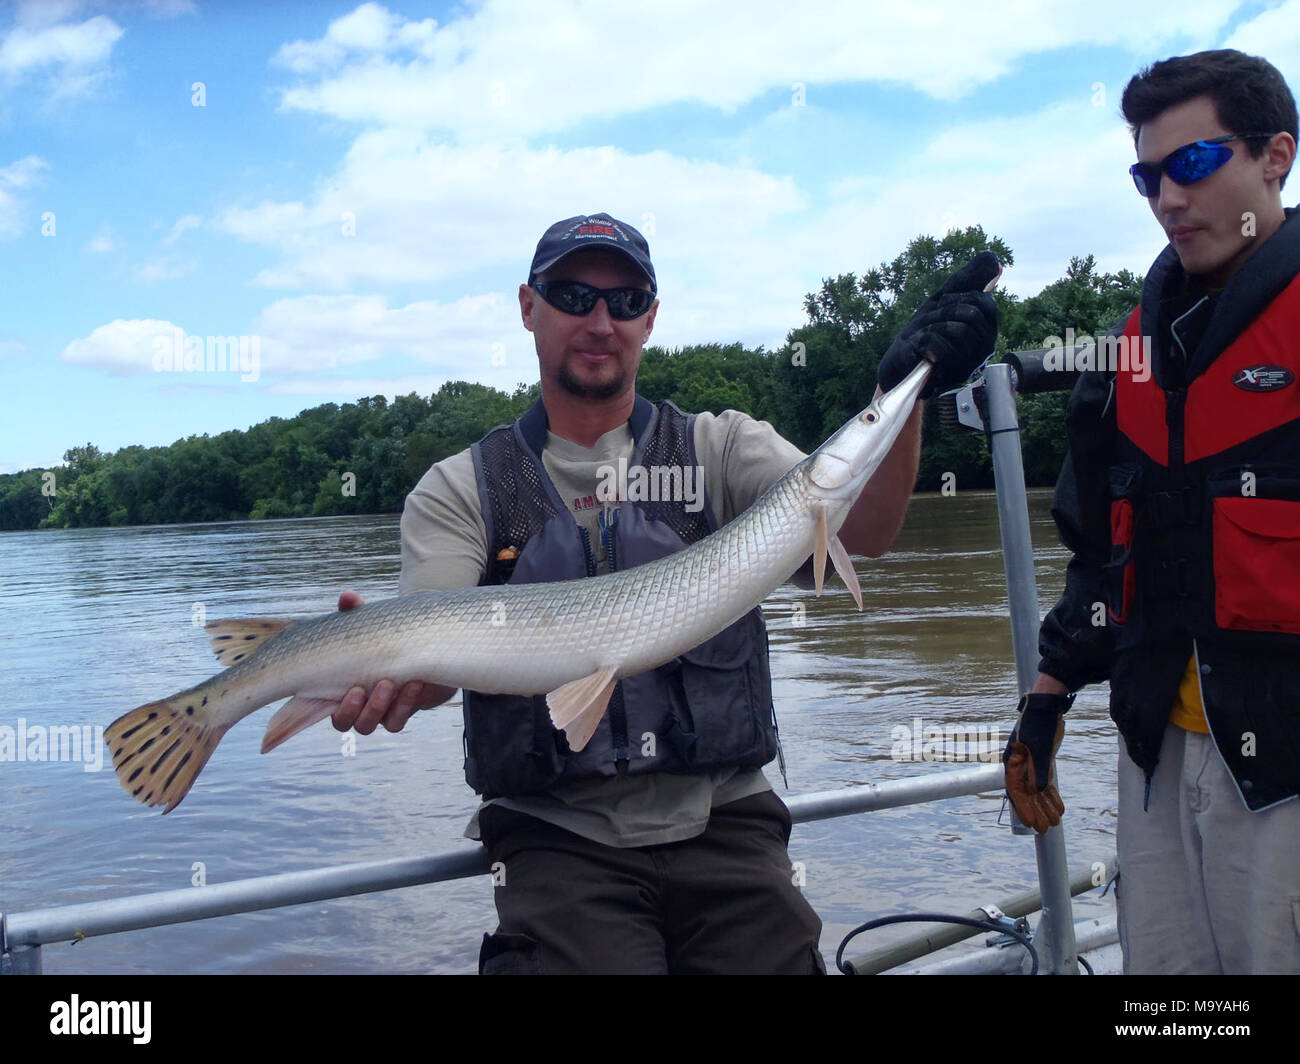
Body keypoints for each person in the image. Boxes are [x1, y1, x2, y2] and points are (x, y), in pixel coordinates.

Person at [335, 212, 998, 974]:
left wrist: (898, 398)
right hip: (557, 837)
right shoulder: (460, 489)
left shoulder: (721, 447)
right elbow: (428, 650)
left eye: (624, 301)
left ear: (650, 318)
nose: (599, 321)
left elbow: (868, 531)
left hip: (726, 821)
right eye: (572, 294)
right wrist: (392, 685)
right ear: (528, 307)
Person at [1003, 49, 1300, 974]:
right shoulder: (1132, 348)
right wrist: (1048, 697)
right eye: (1148, 175)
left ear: (1275, 157)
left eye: (1195, 164)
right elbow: (1103, 552)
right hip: (1155, 754)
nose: (1168, 196)